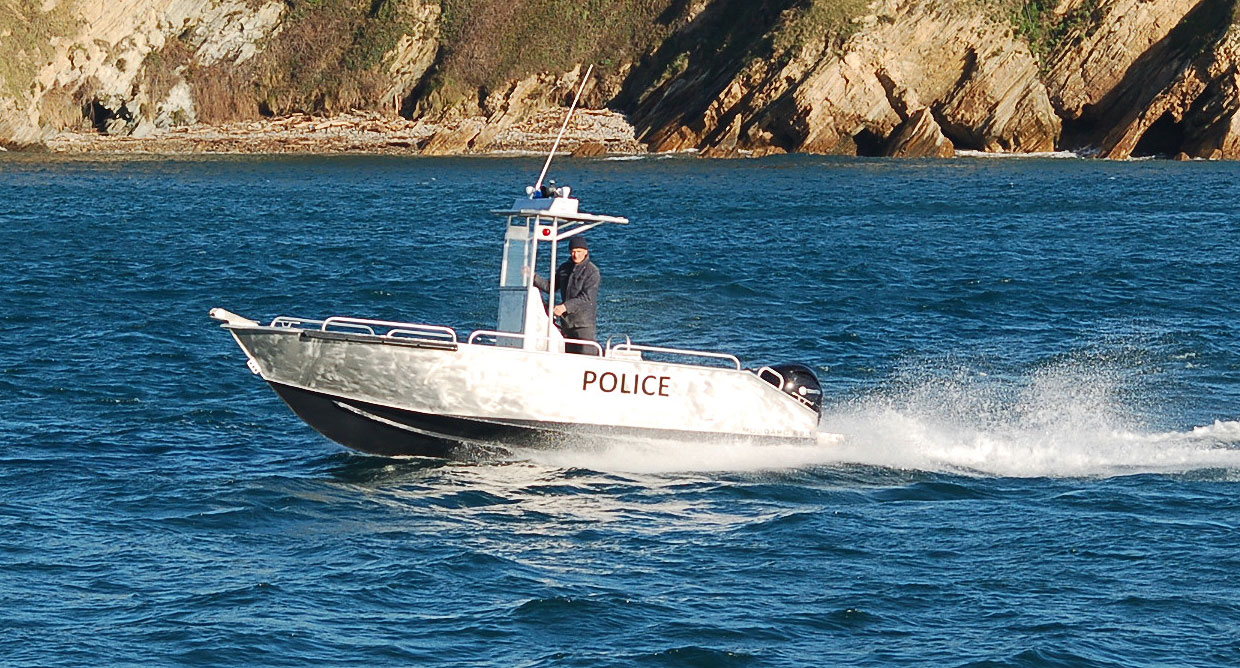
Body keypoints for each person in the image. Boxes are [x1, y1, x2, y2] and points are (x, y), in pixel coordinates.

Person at [533, 235, 599, 355]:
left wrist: (565, 307)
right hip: (567, 324)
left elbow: (587, 297)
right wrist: (533, 277)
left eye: (579, 251)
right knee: (569, 357)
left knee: (587, 357)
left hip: (583, 325)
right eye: (573, 251)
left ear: (585, 252)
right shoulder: (564, 268)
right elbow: (550, 287)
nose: (576, 255)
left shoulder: (592, 271)